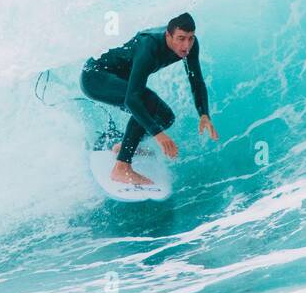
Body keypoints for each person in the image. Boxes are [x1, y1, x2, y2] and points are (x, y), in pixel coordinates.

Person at [80, 12, 219, 186]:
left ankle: (121, 146)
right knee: (145, 102)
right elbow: (132, 100)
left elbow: (196, 80)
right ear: (168, 35)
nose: (186, 46)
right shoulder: (149, 47)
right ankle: (121, 167)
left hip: (120, 77)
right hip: (95, 76)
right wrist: (158, 135)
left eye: (190, 38)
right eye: (181, 38)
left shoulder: (189, 45)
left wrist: (204, 114)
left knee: (165, 117)